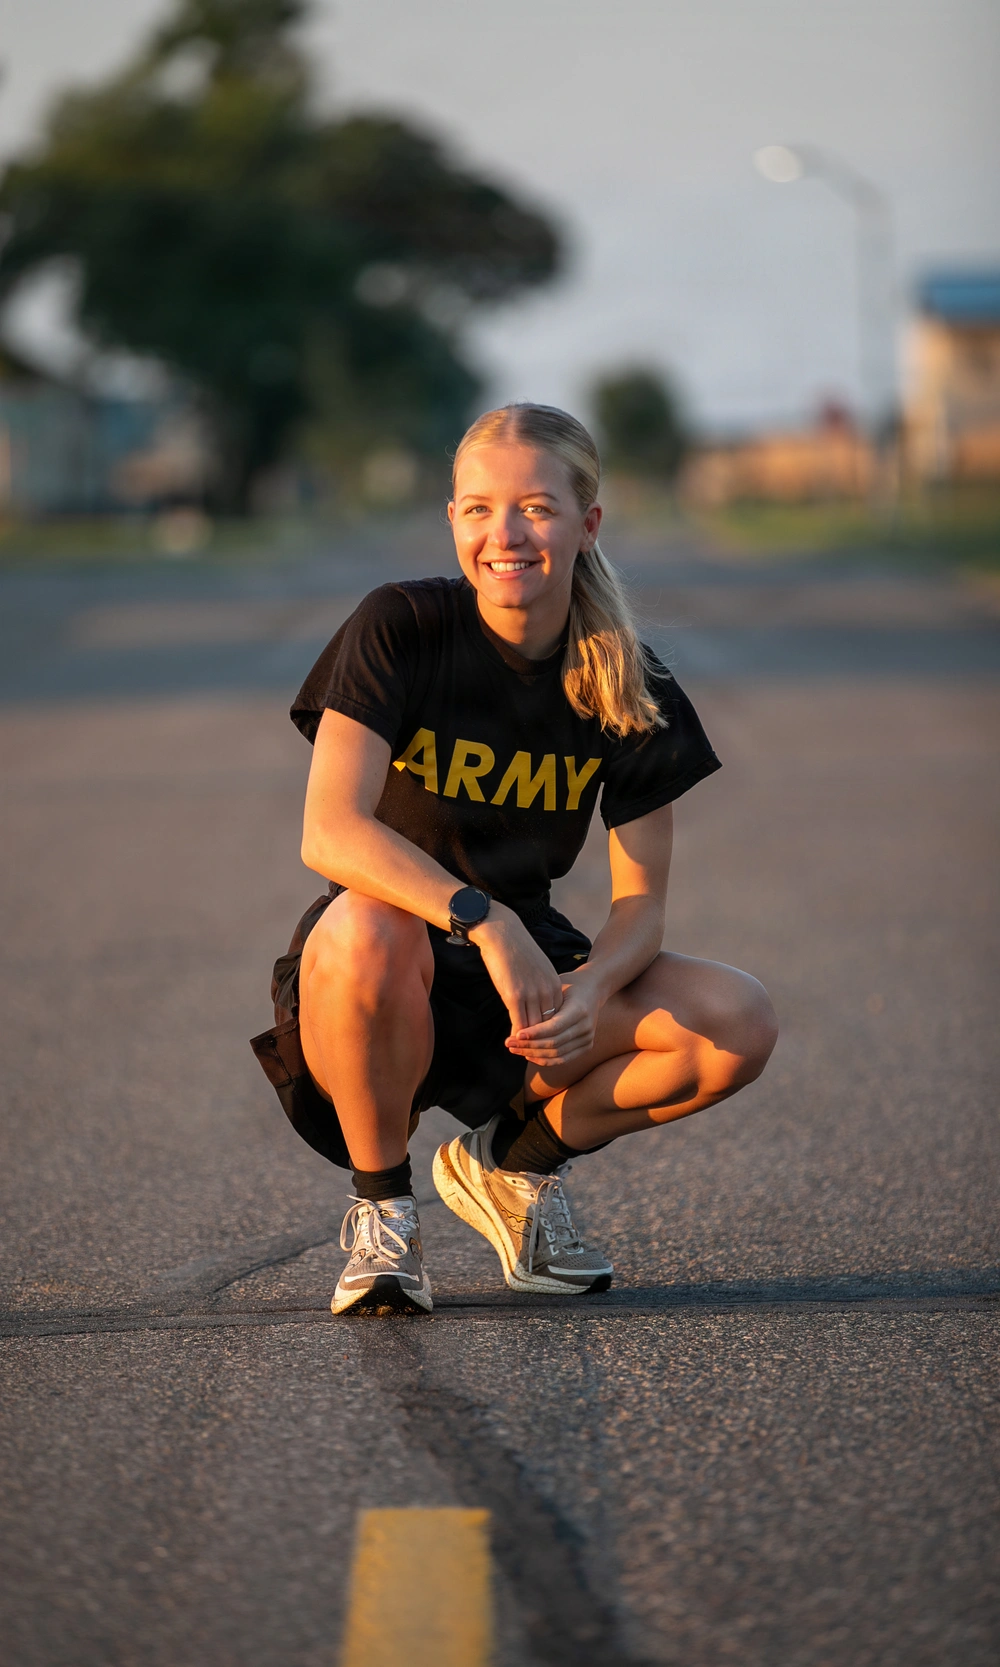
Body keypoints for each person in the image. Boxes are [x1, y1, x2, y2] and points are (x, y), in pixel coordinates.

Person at [251, 403, 778, 1315]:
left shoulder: (626, 680)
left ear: (587, 525)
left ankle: (511, 1167)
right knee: (372, 924)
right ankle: (384, 1216)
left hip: (526, 977)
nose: (505, 534)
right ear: (453, 519)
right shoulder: (402, 626)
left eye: (536, 507)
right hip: (380, 968)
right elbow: (329, 831)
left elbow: (640, 908)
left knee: (736, 1023)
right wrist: (484, 919)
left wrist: (592, 990)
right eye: (478, 508)